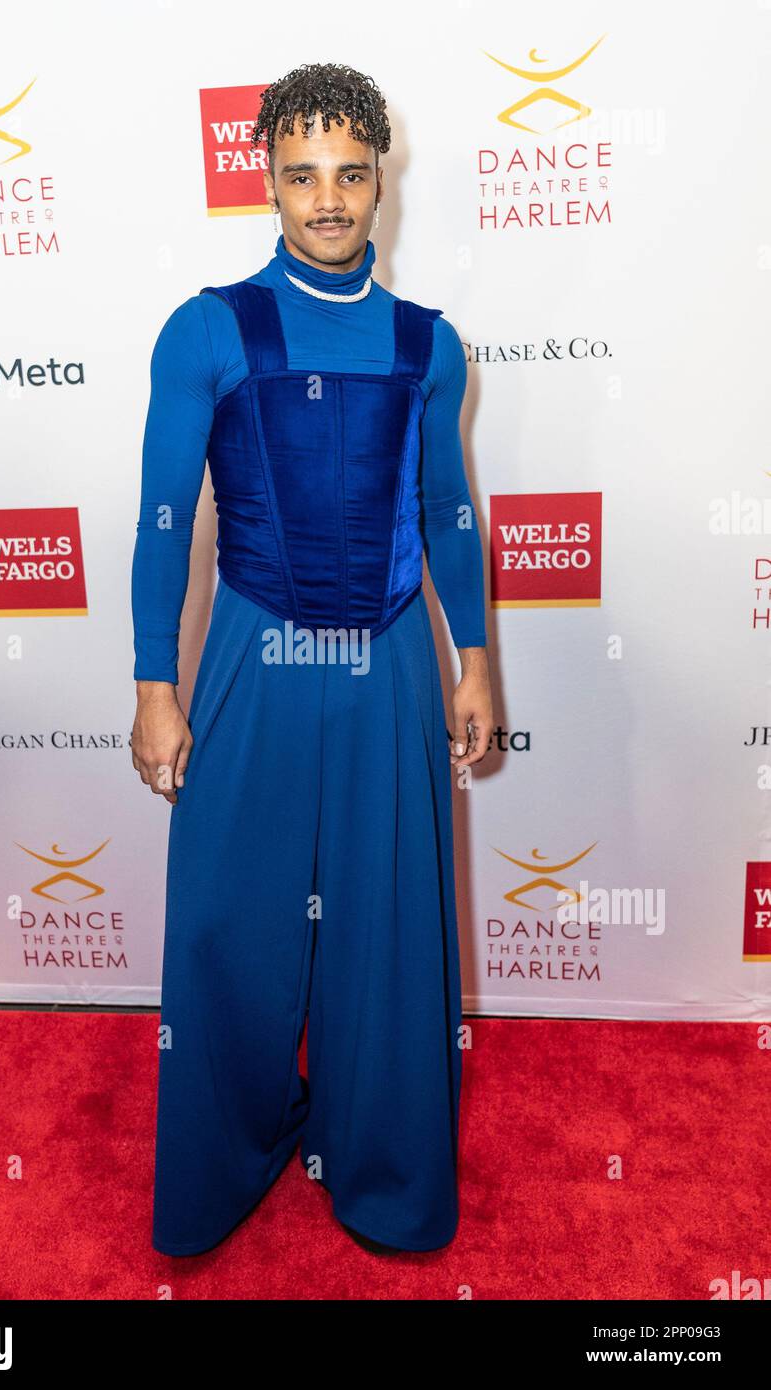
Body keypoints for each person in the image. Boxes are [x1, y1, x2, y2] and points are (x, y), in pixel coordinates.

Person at [130, 62, 493, 1257]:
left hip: (394, 664)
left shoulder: (429, 344)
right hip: (252, 651)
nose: (327, 199)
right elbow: (164, 524)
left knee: (387, 924)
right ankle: (222, 1159)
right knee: (226, 918)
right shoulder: (206, 328)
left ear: (381, 180)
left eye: (348, 174)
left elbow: (445, 512)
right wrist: (154, 686)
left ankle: (379, 1162)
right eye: (301, 176)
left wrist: (474, 657)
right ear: (268, 184)